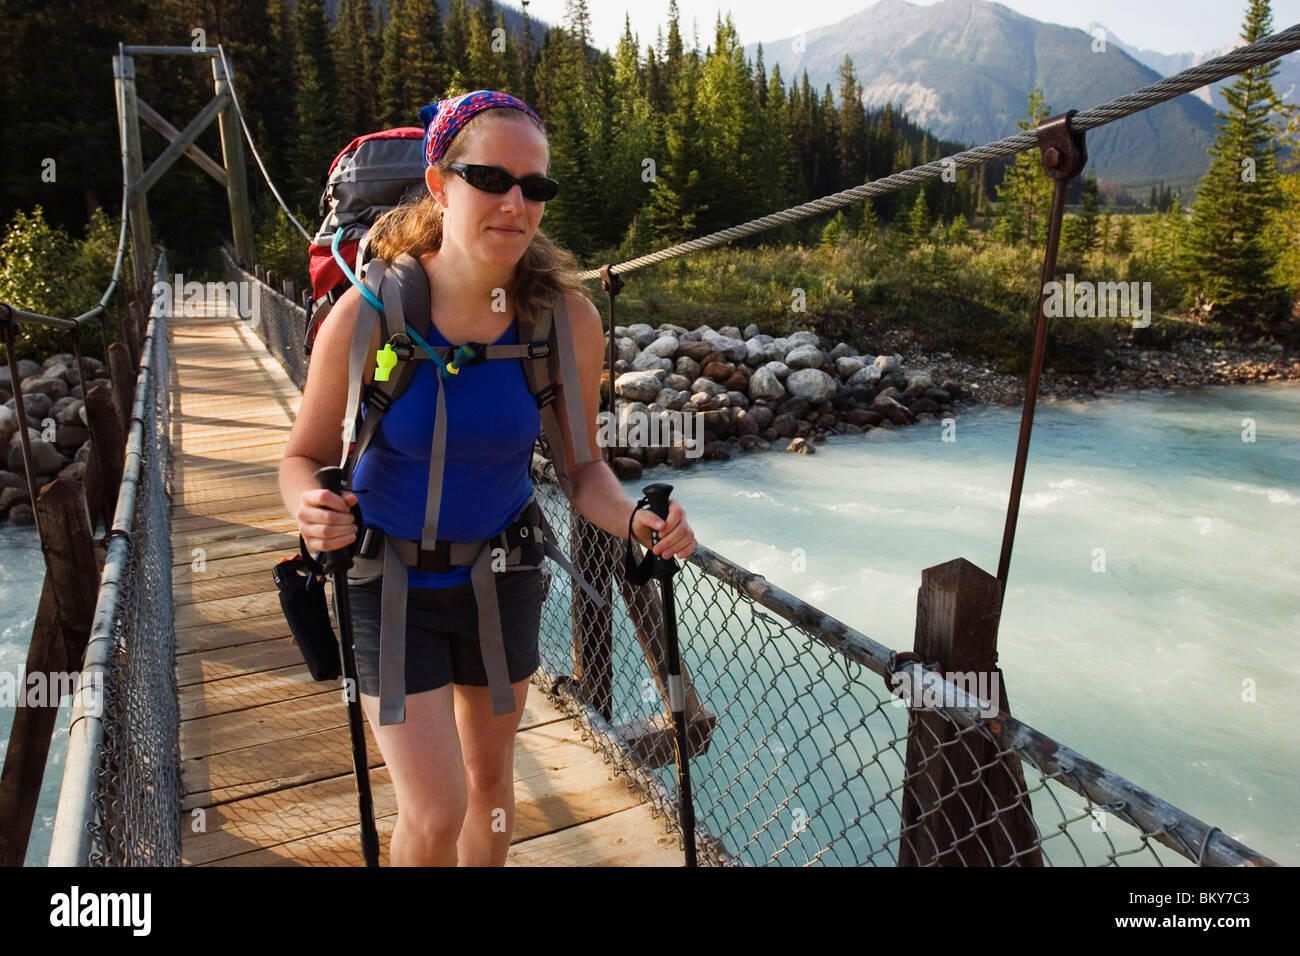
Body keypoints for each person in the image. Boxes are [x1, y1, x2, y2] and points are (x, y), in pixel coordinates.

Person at [278, 89, 697, 867]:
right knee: (436, 810)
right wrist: (309, 508)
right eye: (492, 180)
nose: (516, 203)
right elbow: (299, 456)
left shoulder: (563, 319)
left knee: (490, 787)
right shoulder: (369, 312)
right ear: (440, 184)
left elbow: (582, 470)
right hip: (384, 580)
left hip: (501, 577)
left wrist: (639, 522)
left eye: (535, 187)